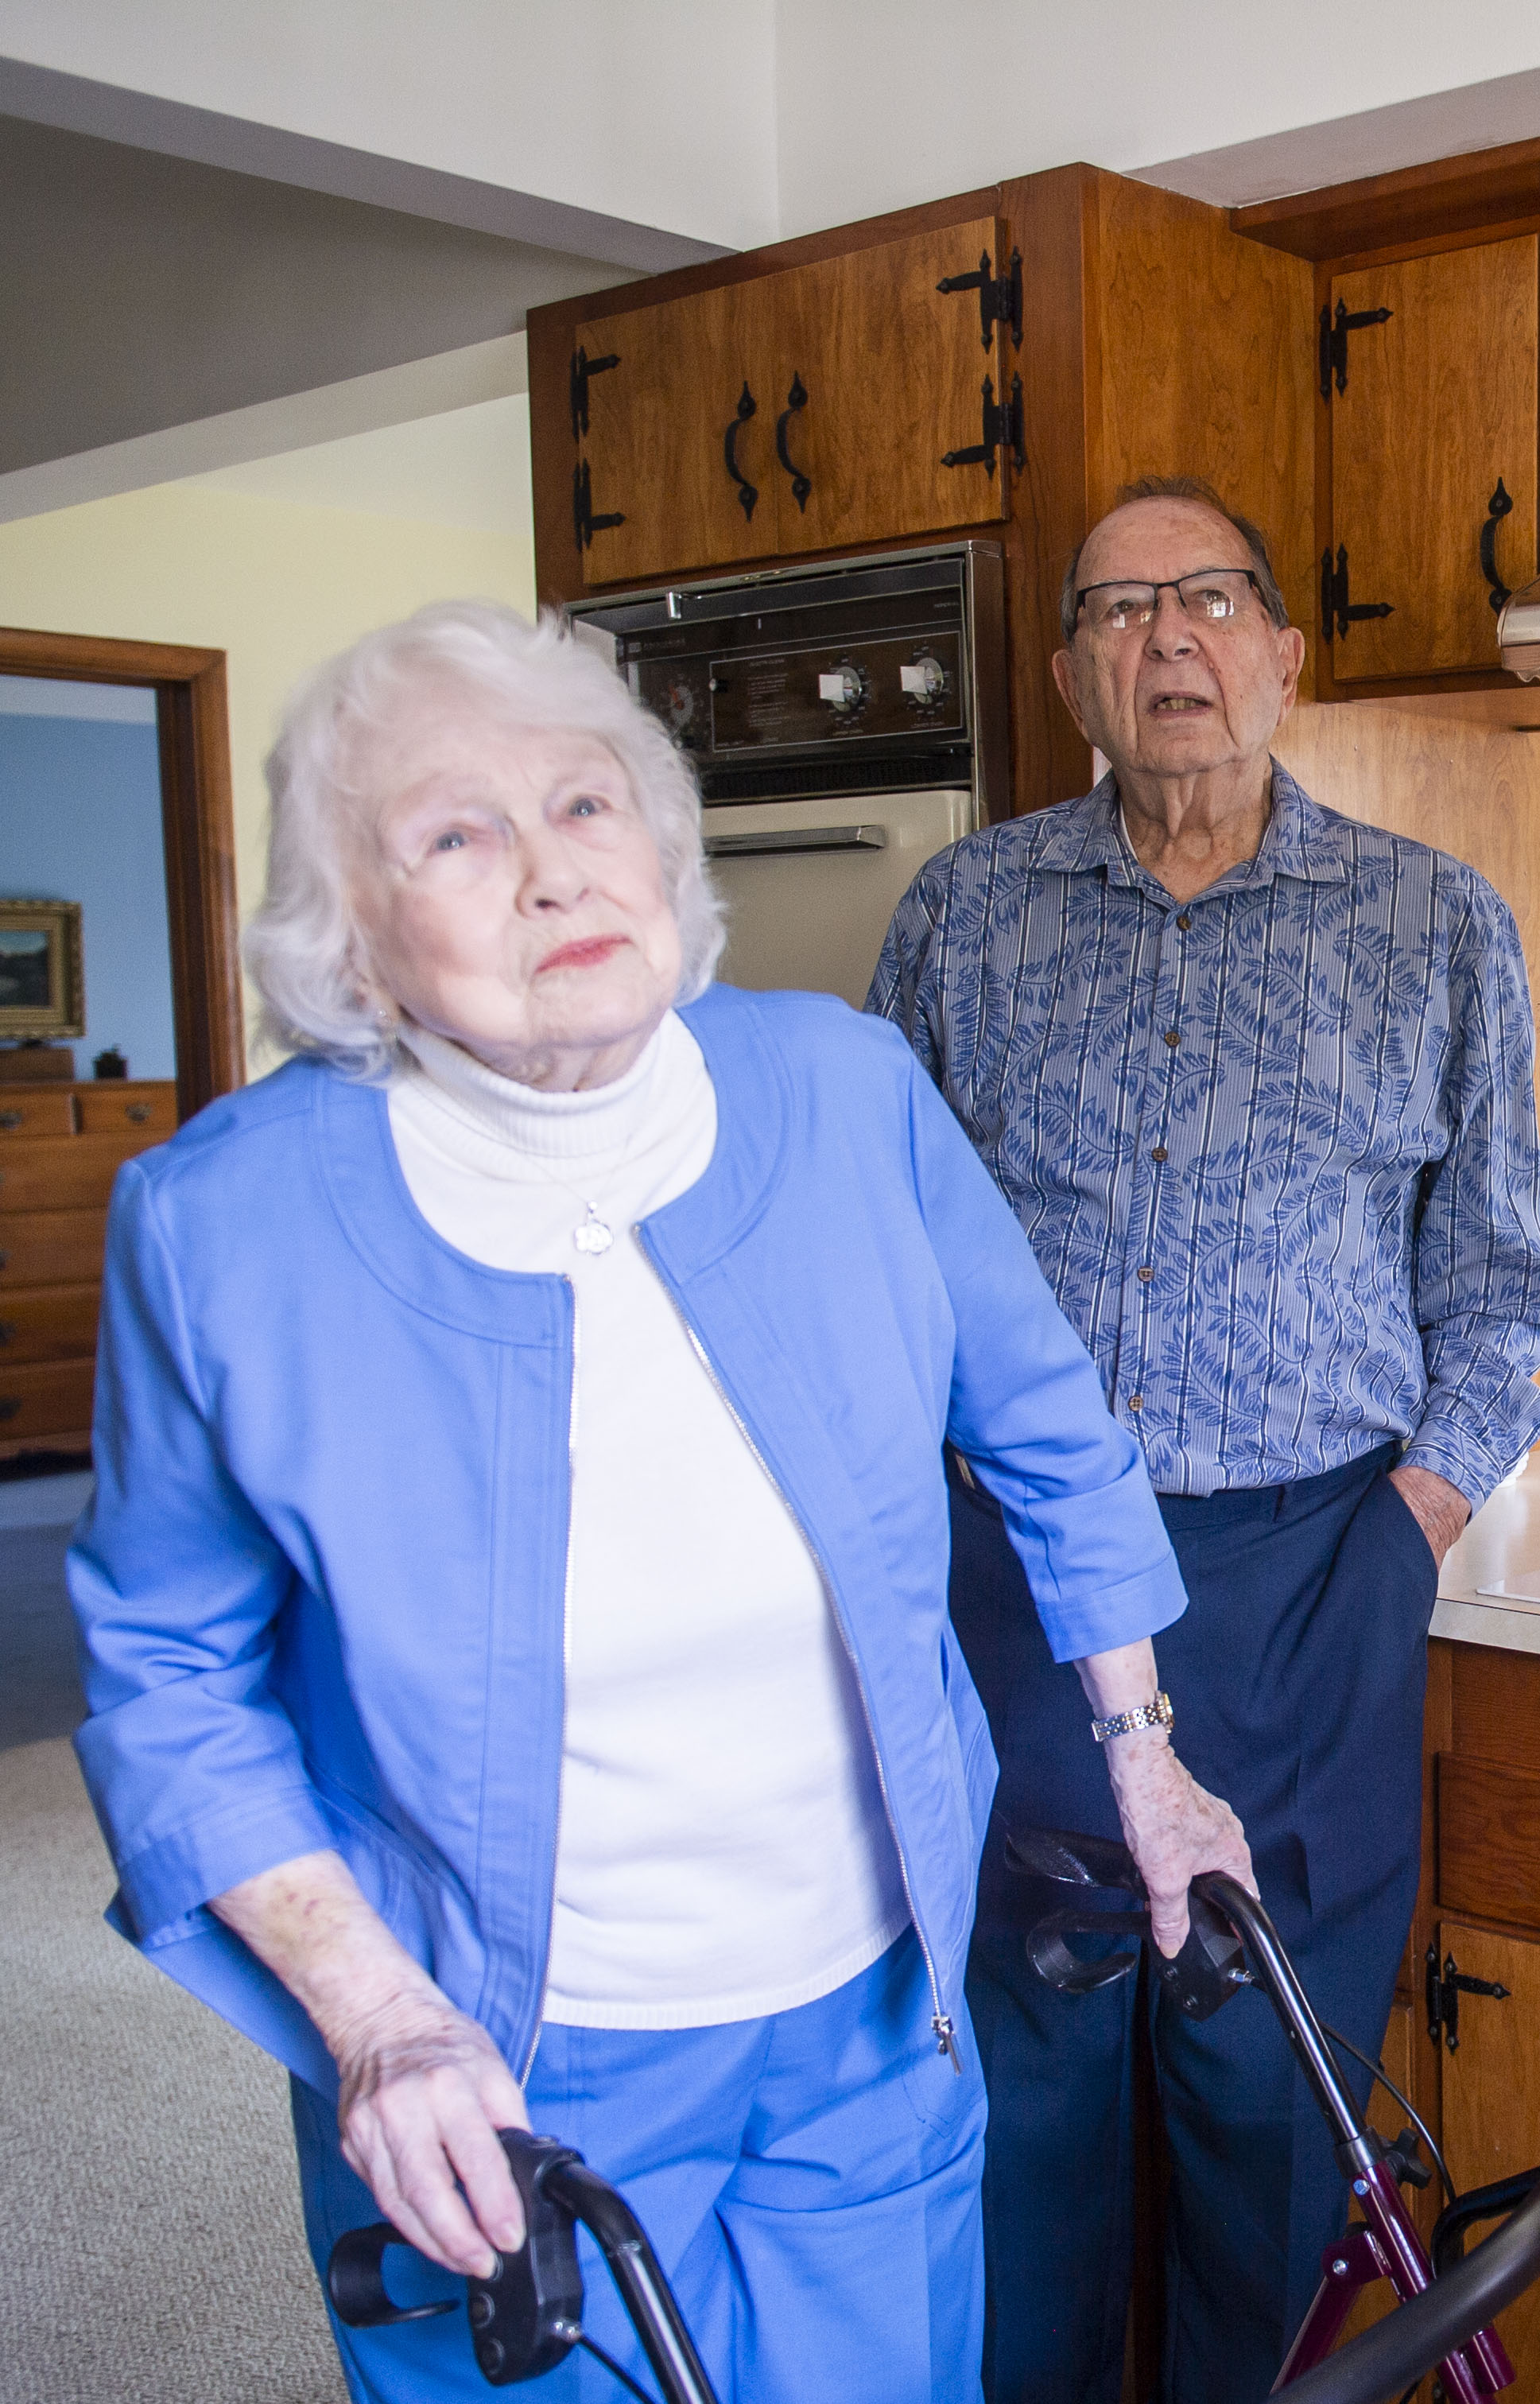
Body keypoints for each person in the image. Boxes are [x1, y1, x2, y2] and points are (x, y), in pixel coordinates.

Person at [68, 601, 1251, 2404]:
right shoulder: (225, 1227)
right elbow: (166, 1675)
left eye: (586, 802)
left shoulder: (845, 1094)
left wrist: (1147, 1756)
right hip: (498, 2055)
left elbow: (1047, 1429)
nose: (552, 873)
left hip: (873, 2008)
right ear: (355, 941)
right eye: (456, 836)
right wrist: (377, 2025)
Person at [868, 476, 1540, 2402]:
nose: (1169, 638)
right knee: (1025, 2100)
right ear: (1078, 669)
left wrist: (1406, 1531)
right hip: (1015, 1588)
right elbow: (874, 1261)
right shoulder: (967, 914)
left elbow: (1504, 1289)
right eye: (1120, 609)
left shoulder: (1434, 922)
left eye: (1211, 598)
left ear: (1281, 646)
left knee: (1276, 2105)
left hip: (1311, 1570)